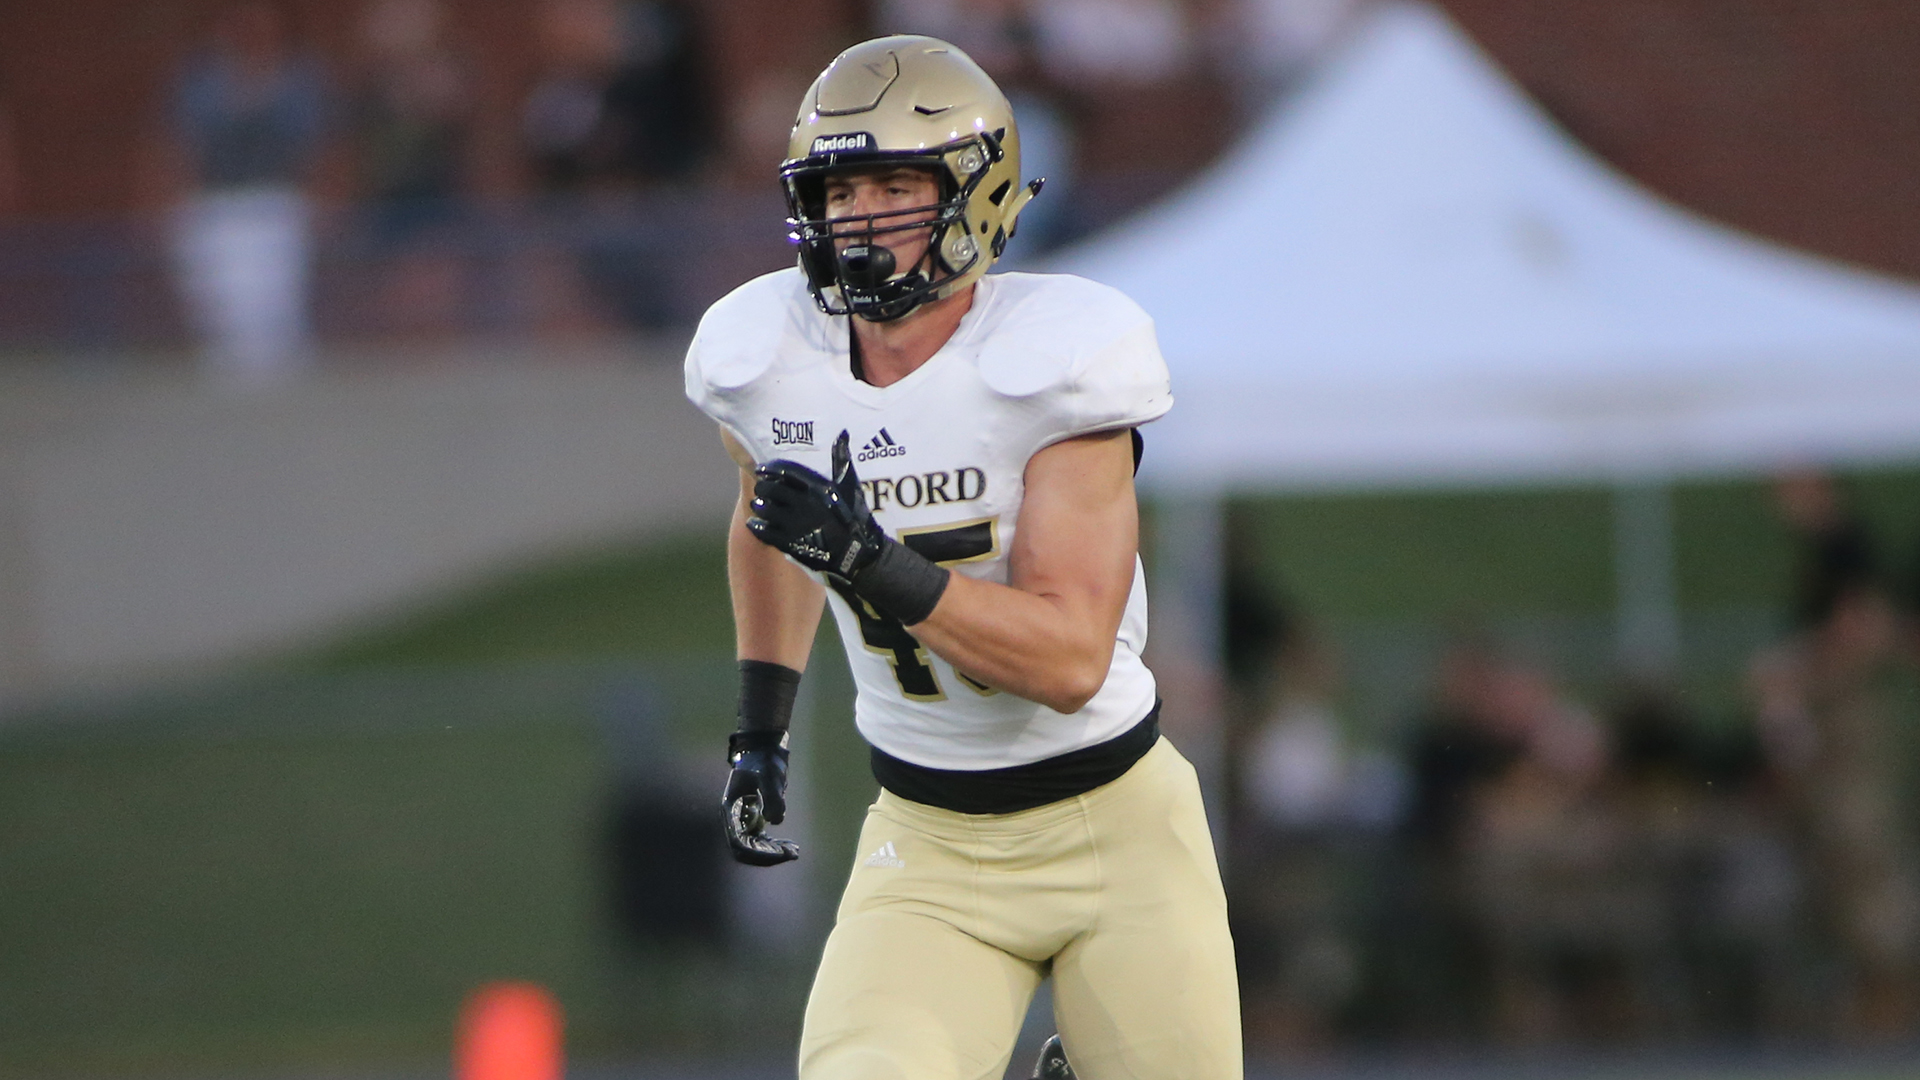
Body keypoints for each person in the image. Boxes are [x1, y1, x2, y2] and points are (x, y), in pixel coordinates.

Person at [682, 36, 1241, 1080]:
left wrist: (868, 559)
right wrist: (761, 727)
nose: (864, 215)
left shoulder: (1057, 365)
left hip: (1113, 829)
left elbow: (1070, 659)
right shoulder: (763, 360)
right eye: (842, 187)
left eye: (898, 182)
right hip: (928, 842)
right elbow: (765, 514)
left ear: (976, 194)